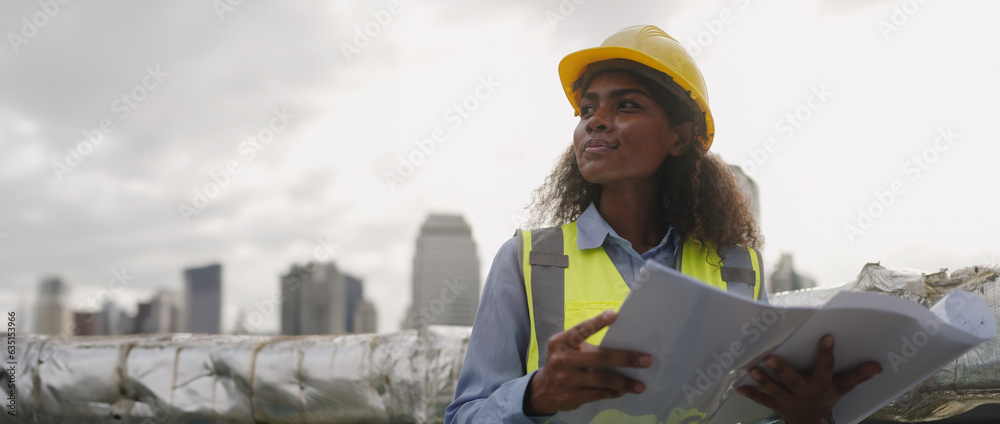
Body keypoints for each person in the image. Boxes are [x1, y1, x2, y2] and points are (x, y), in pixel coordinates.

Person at [445, 25, 881, 424]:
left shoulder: (739, 267)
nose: (594, 120)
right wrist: (535, 394)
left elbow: (751, 412)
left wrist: (809, 417)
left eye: (626, 105)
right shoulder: (526, 261)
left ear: (680, 136)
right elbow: (466, 415)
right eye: (586, 110)